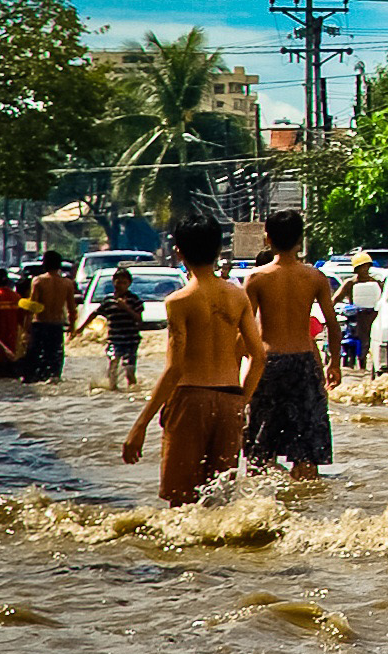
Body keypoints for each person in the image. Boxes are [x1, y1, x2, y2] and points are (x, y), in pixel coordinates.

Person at [121, 219, 268, 506]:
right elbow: (259, 356)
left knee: (181, 504)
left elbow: (175, 369)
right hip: (229, 401)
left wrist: (140, 425)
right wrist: (242, 402)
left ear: (178, 252)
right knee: (219, 503)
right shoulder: (237, 296)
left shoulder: (180, 300)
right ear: (218, 250)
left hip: (190, 400)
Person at [241, 208, 343, 478]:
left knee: (260, 451)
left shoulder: (256, 278)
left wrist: (235, 371)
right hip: (303, 363)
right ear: (300, 239)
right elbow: (333, 326)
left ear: (268, 238)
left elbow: (244, 330)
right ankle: (307, 510)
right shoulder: (314, 277)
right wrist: (334, 363)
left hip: (267, 365)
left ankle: (262, 511)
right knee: (307, 450)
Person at [18, 254, 77, 384]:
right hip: (56, 326)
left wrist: (26, 331)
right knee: (55, 362)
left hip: (40, 326)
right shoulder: (67, 283)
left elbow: (32, 307)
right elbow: (72, 309)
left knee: (34, 363)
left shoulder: (38, 281)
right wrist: (72, 327)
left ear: (44, 264)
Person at [89, 267, 147, 389]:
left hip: (131, 341)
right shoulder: (108, 300)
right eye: (118, 282)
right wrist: (80, 328)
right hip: (114, 340)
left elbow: (139, 320)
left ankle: (132, 389)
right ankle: (112, 389)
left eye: (124, 283)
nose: (120, 285)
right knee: (113, 362)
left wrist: (126, 307)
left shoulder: (134, 300)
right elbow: (95, 313)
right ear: (113, 282)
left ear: (129, 284)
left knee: (129, 369)